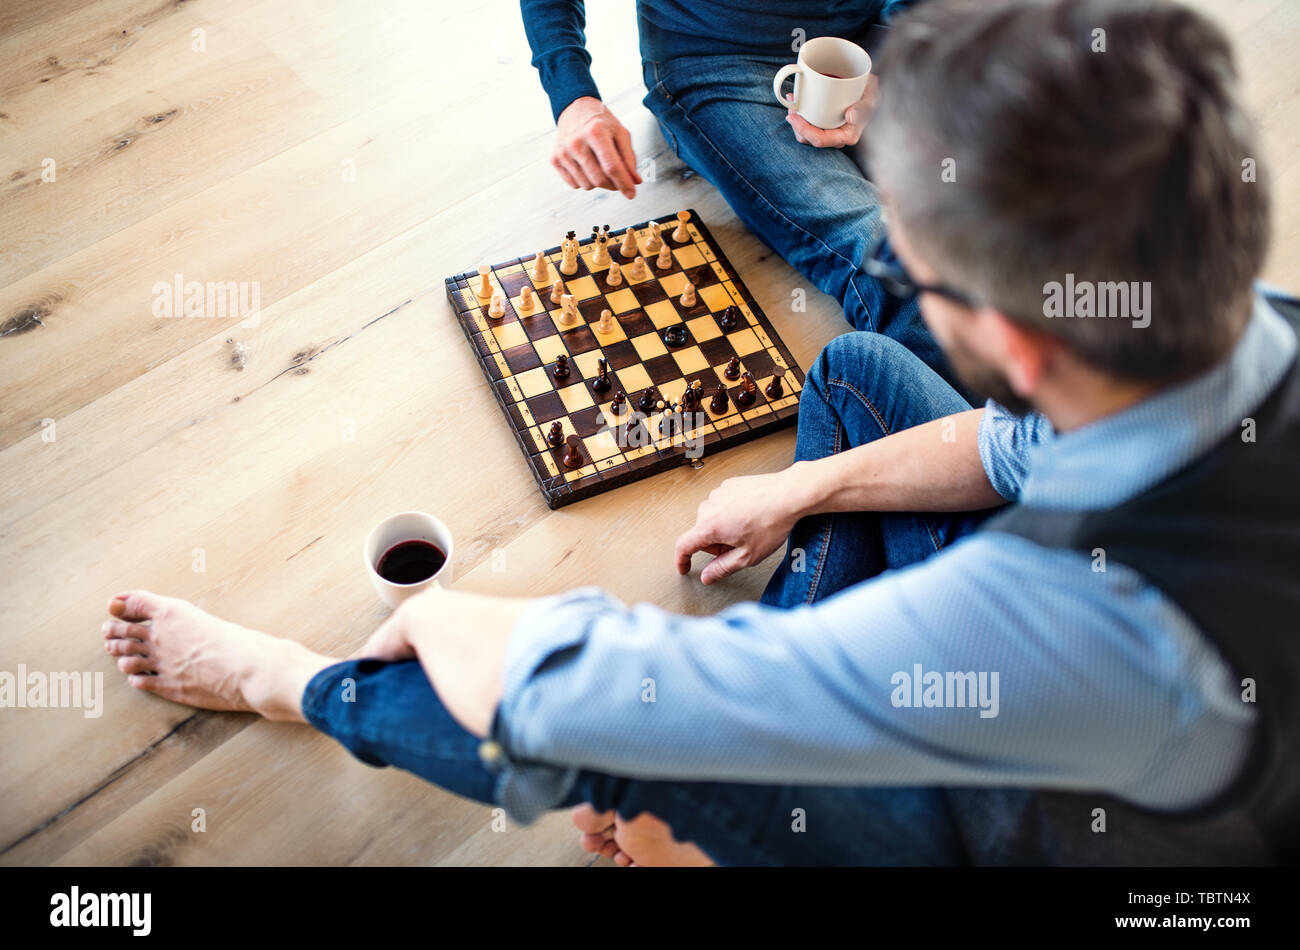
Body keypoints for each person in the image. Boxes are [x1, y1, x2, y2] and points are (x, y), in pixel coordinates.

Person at [104, 0, 1298, 865]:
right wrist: (797, 491)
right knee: (855, 369)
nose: (898, 268)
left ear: (1022, 345)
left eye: (919, 272)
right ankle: (767, 713)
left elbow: (573, 692)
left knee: (628, 742)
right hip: (1135, 680)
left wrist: (445, 617)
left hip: (1037, 818)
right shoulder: (1227, 330)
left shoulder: (1063, 623)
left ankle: (284, 681)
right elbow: (1011, 446)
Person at [521, 0, 971, 394]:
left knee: (1000, 202)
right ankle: (995, 460)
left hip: (863, 42)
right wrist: (573, 96)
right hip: (716, 59)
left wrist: (888, 60)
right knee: (880, 248)